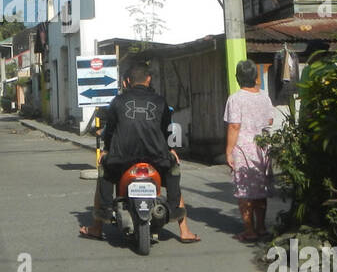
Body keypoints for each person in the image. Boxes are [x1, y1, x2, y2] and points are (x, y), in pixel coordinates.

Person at [79, 59, 199, 243]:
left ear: (127, 81)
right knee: (173, 172)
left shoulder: (118, 102)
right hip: (156, 157)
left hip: (121, 159)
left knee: (104, 173)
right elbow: (168, 129)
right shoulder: (160, 102)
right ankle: (183, 229)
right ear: (149, 79)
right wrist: (171, 150)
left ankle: (97, 226)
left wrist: (106, 150)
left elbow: (109, 131)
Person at [224, 59, 276, 243]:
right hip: (263, 148)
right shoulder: (264, 97)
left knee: (245, 191)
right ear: (255, 77)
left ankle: (249, 230)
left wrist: (229, 151)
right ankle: (261, 227)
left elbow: (234, 126)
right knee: (261, 189)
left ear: (237, 77)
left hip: (244, 149)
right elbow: (269, 121)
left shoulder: (235, 99)